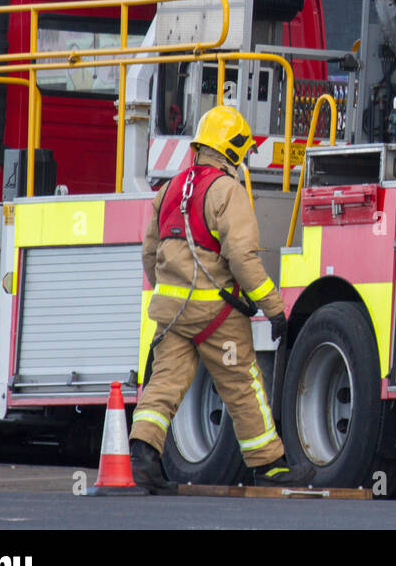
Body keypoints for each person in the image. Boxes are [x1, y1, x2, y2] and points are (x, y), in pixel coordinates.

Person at [129, 105, 307, 492]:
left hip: (171, 314)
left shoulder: (170, 189)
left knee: (164, 384)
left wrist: (168, 292)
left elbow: (149, 252)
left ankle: (143, 456)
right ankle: (271, 466)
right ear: (234, 148)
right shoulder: (228, 190)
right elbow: (242, 257)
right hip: (216, 315)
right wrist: (275, 309)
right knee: (242, 383)